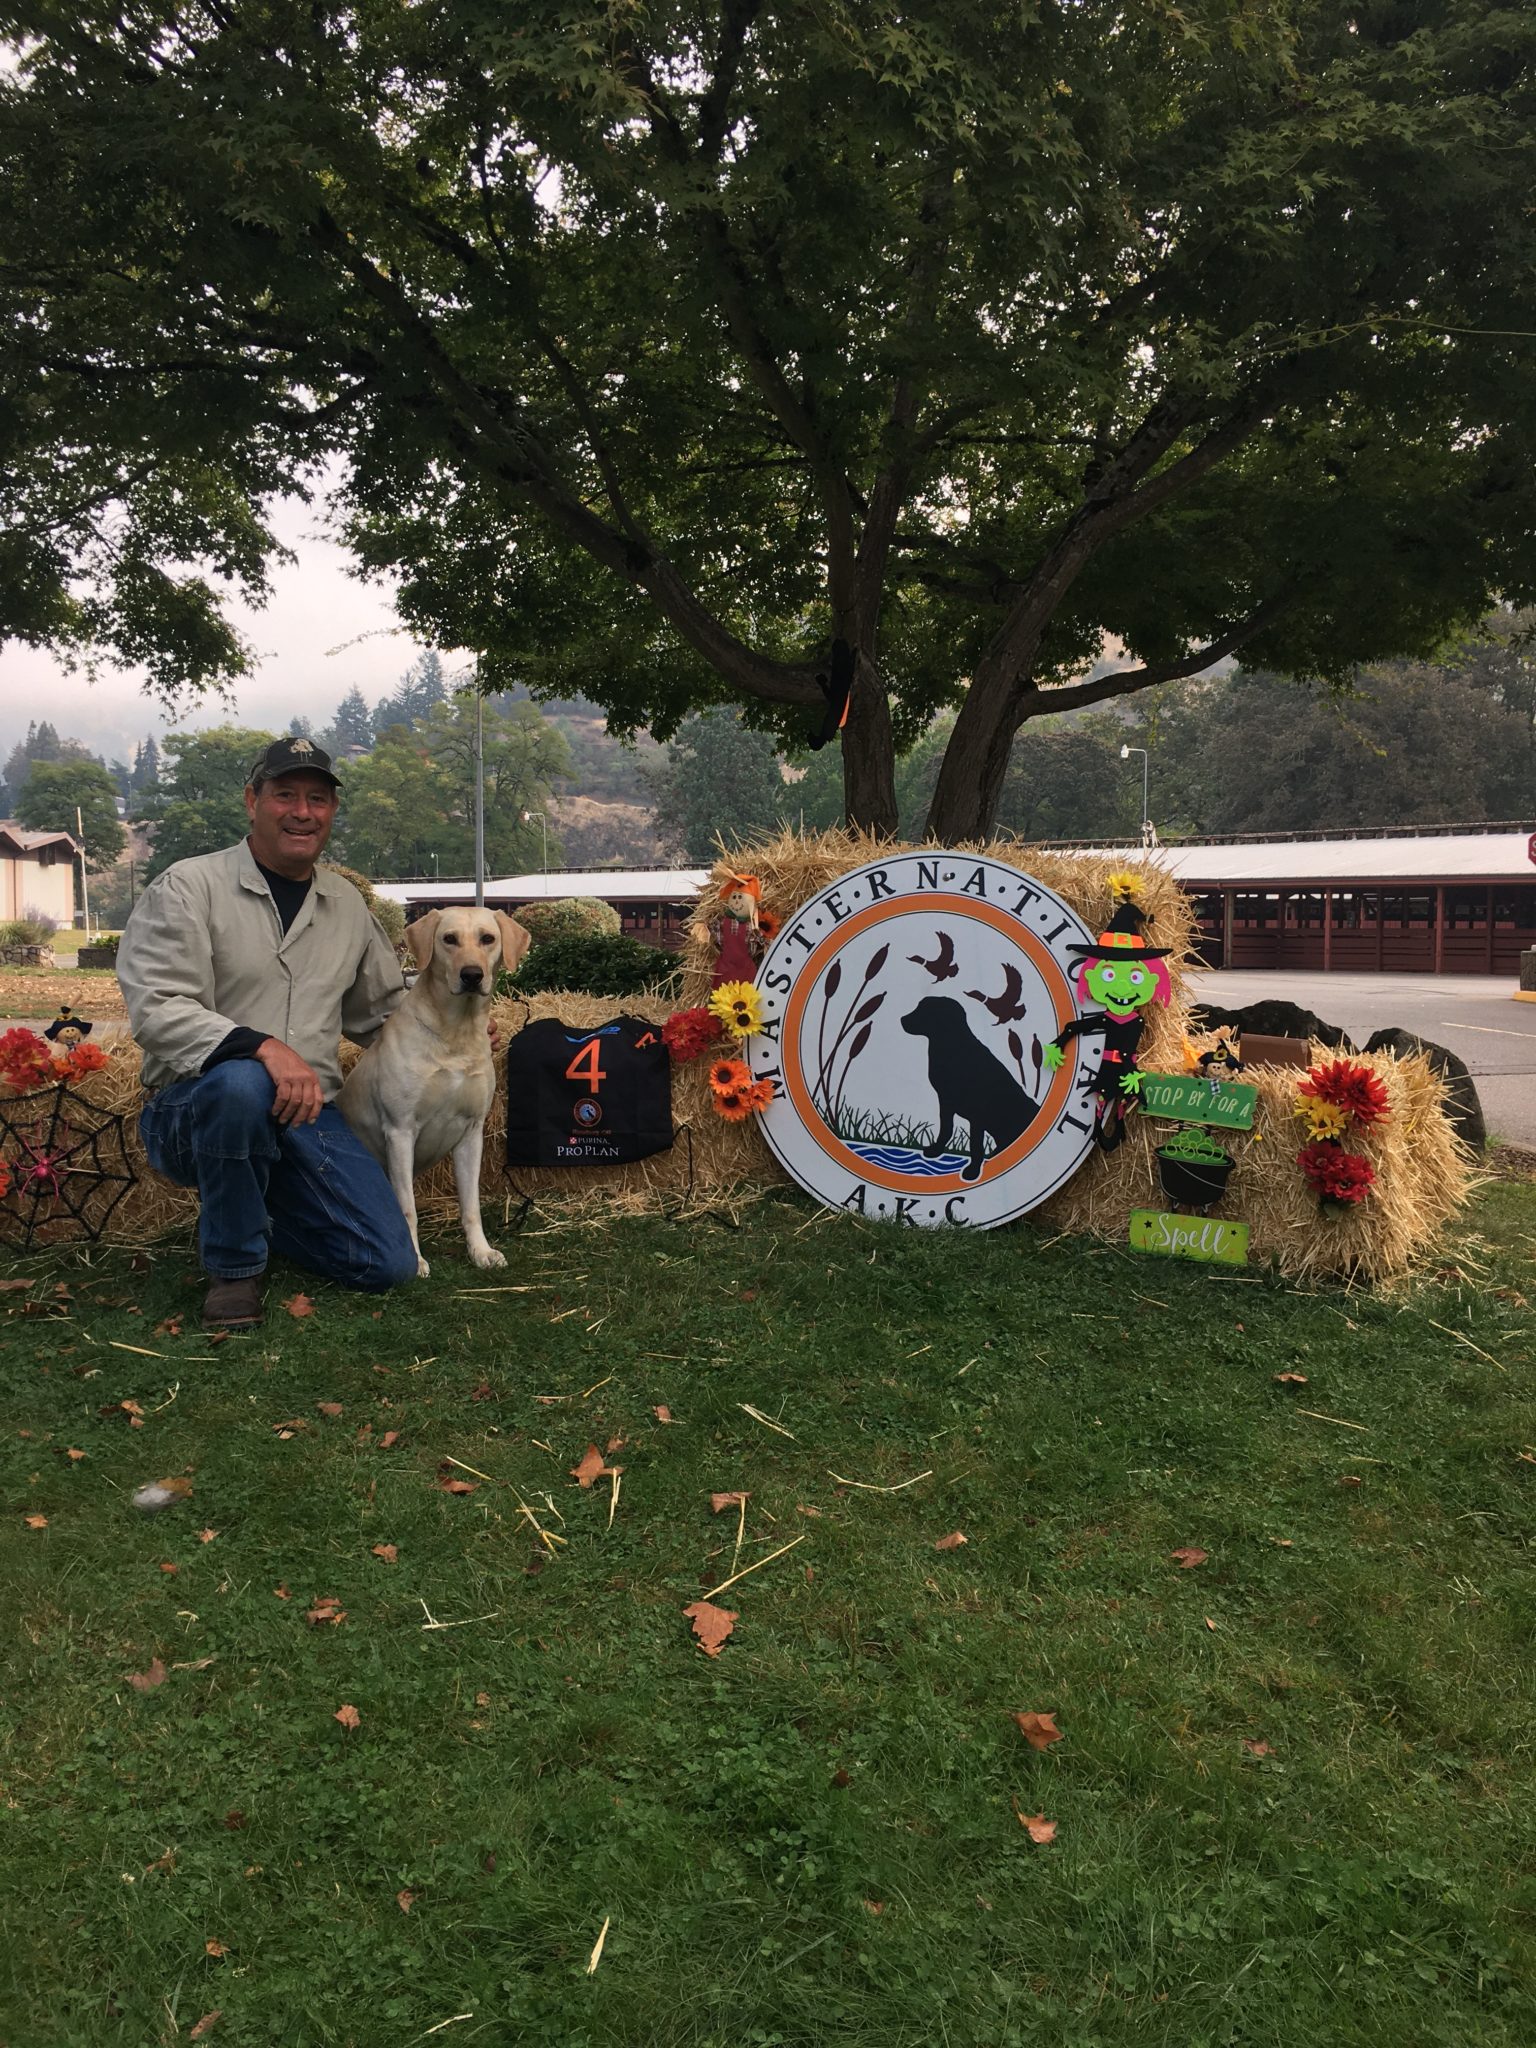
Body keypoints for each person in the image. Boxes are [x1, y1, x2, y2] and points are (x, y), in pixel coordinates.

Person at [117, 737, 419, 1329]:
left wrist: (450, 1032)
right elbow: (156, 1007)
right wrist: (261, 1047)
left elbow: (379, 1012)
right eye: (284, 795)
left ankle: (252, 1209)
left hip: (306, 1117)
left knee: (386, 1265)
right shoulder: (187, 887)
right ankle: (234, 1271)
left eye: (317, 799)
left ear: (331, 812)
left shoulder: (347, 906)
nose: (302, 811)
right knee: (241, 1085)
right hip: (191, 1111)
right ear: (252, 800)